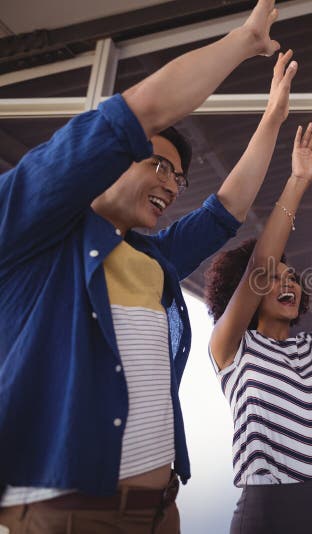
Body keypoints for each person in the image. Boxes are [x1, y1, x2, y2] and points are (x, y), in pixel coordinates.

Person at [0, 1, 290, 531]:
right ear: (110, 160)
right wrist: (244, 42)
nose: (171, 185)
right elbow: (138, 114)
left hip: (160, 510)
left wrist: (272, 118)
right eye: (158, 164)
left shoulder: (154, 257)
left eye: (178, 177)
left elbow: (227, 209)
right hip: (70, 515)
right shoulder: (33, 230)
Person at [204, 132, 312, 534]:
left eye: (292, 277)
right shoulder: (232, 347)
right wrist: (299, 180)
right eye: (275, 278)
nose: (287, 282)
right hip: (272, 507)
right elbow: (260, 265)